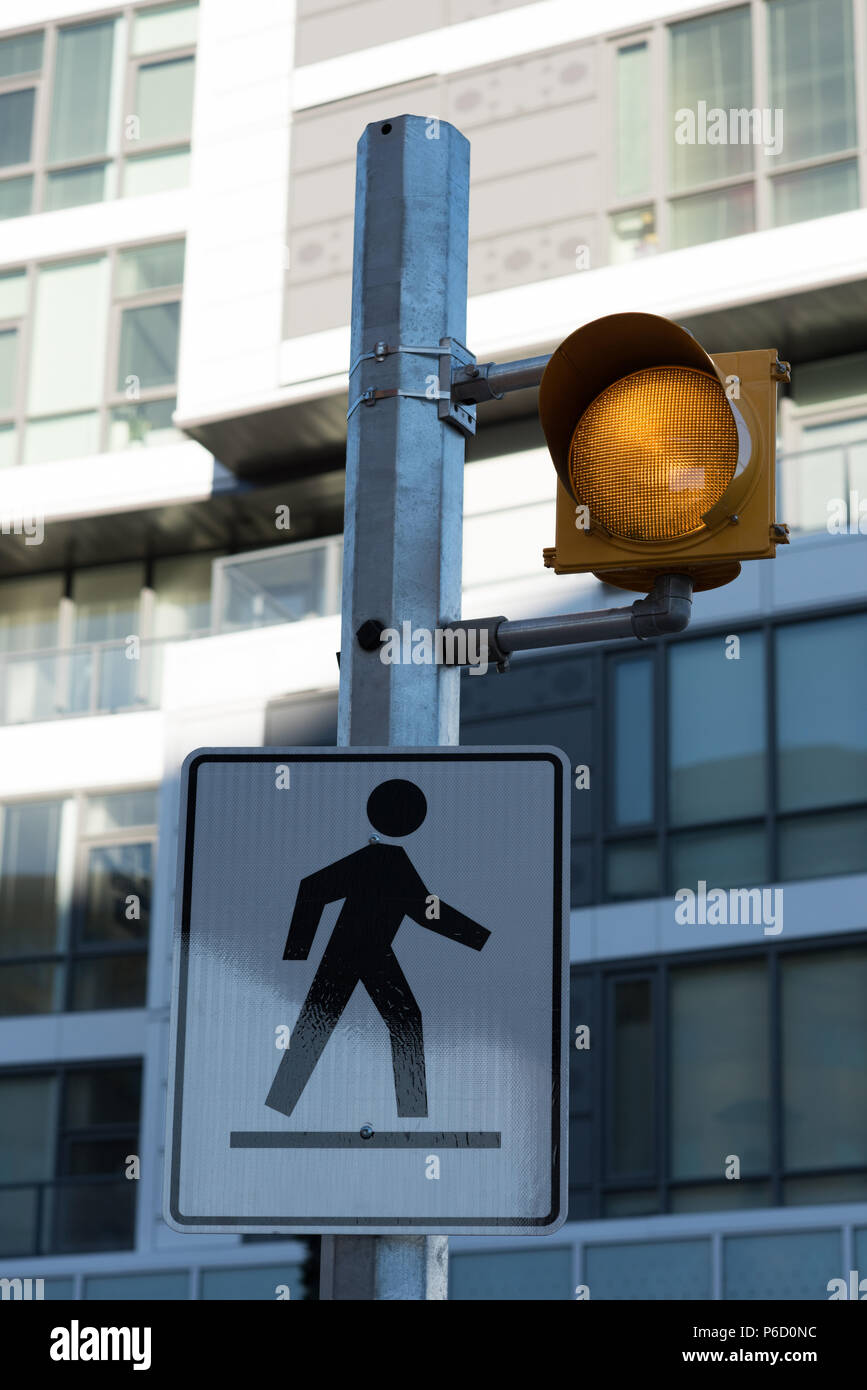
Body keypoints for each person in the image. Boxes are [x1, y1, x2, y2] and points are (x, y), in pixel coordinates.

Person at [265, 778, 490, 1119]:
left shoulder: (390, 859)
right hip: (351, 952)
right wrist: (296, 952)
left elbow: (423, 911)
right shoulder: (382, 859)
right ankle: (411, 1113)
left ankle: (411, 1113)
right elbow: (313, 888)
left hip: (371, 953)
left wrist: (479, 938)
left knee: (383, 1020)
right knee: (344, 1022)